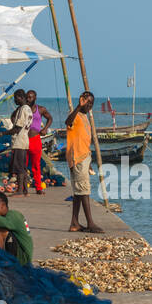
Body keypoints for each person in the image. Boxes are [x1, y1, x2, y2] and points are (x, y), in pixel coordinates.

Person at [65, 91, 102, 233]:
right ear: (82, 100)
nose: (89, 106)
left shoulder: (85, 117)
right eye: (88, 102)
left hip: (84, 157)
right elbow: (68, 122)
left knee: (78, 193)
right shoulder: (76, 115)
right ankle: (90, 223)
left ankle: (74, 223)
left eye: (91, 103)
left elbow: (84, 140)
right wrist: (78, 107)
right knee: (84, 191)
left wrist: (89, 160)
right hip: (77, 158)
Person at [25, 90, 52, 195]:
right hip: (24, 139)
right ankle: (23, 187)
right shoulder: (23, 109)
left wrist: (45, 129)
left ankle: (38, 187)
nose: (28, 99)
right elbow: (14, 117)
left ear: (35, 98)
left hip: (35, 139)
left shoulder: (40, 109)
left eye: (31, 97)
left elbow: (50, 118)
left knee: (36, 165)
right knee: (23, 164)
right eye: (27, 97)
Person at [8, 89, 33, 196]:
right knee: (22, 166)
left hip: (19, 141)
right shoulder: (26, 109)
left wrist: (2, 134)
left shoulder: (24, 109)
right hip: (23, 140)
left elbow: (17, 128)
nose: (14, 100)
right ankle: (24, 190)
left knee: (19, 168)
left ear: (20, 97)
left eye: (15, 98)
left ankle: (20, 190)